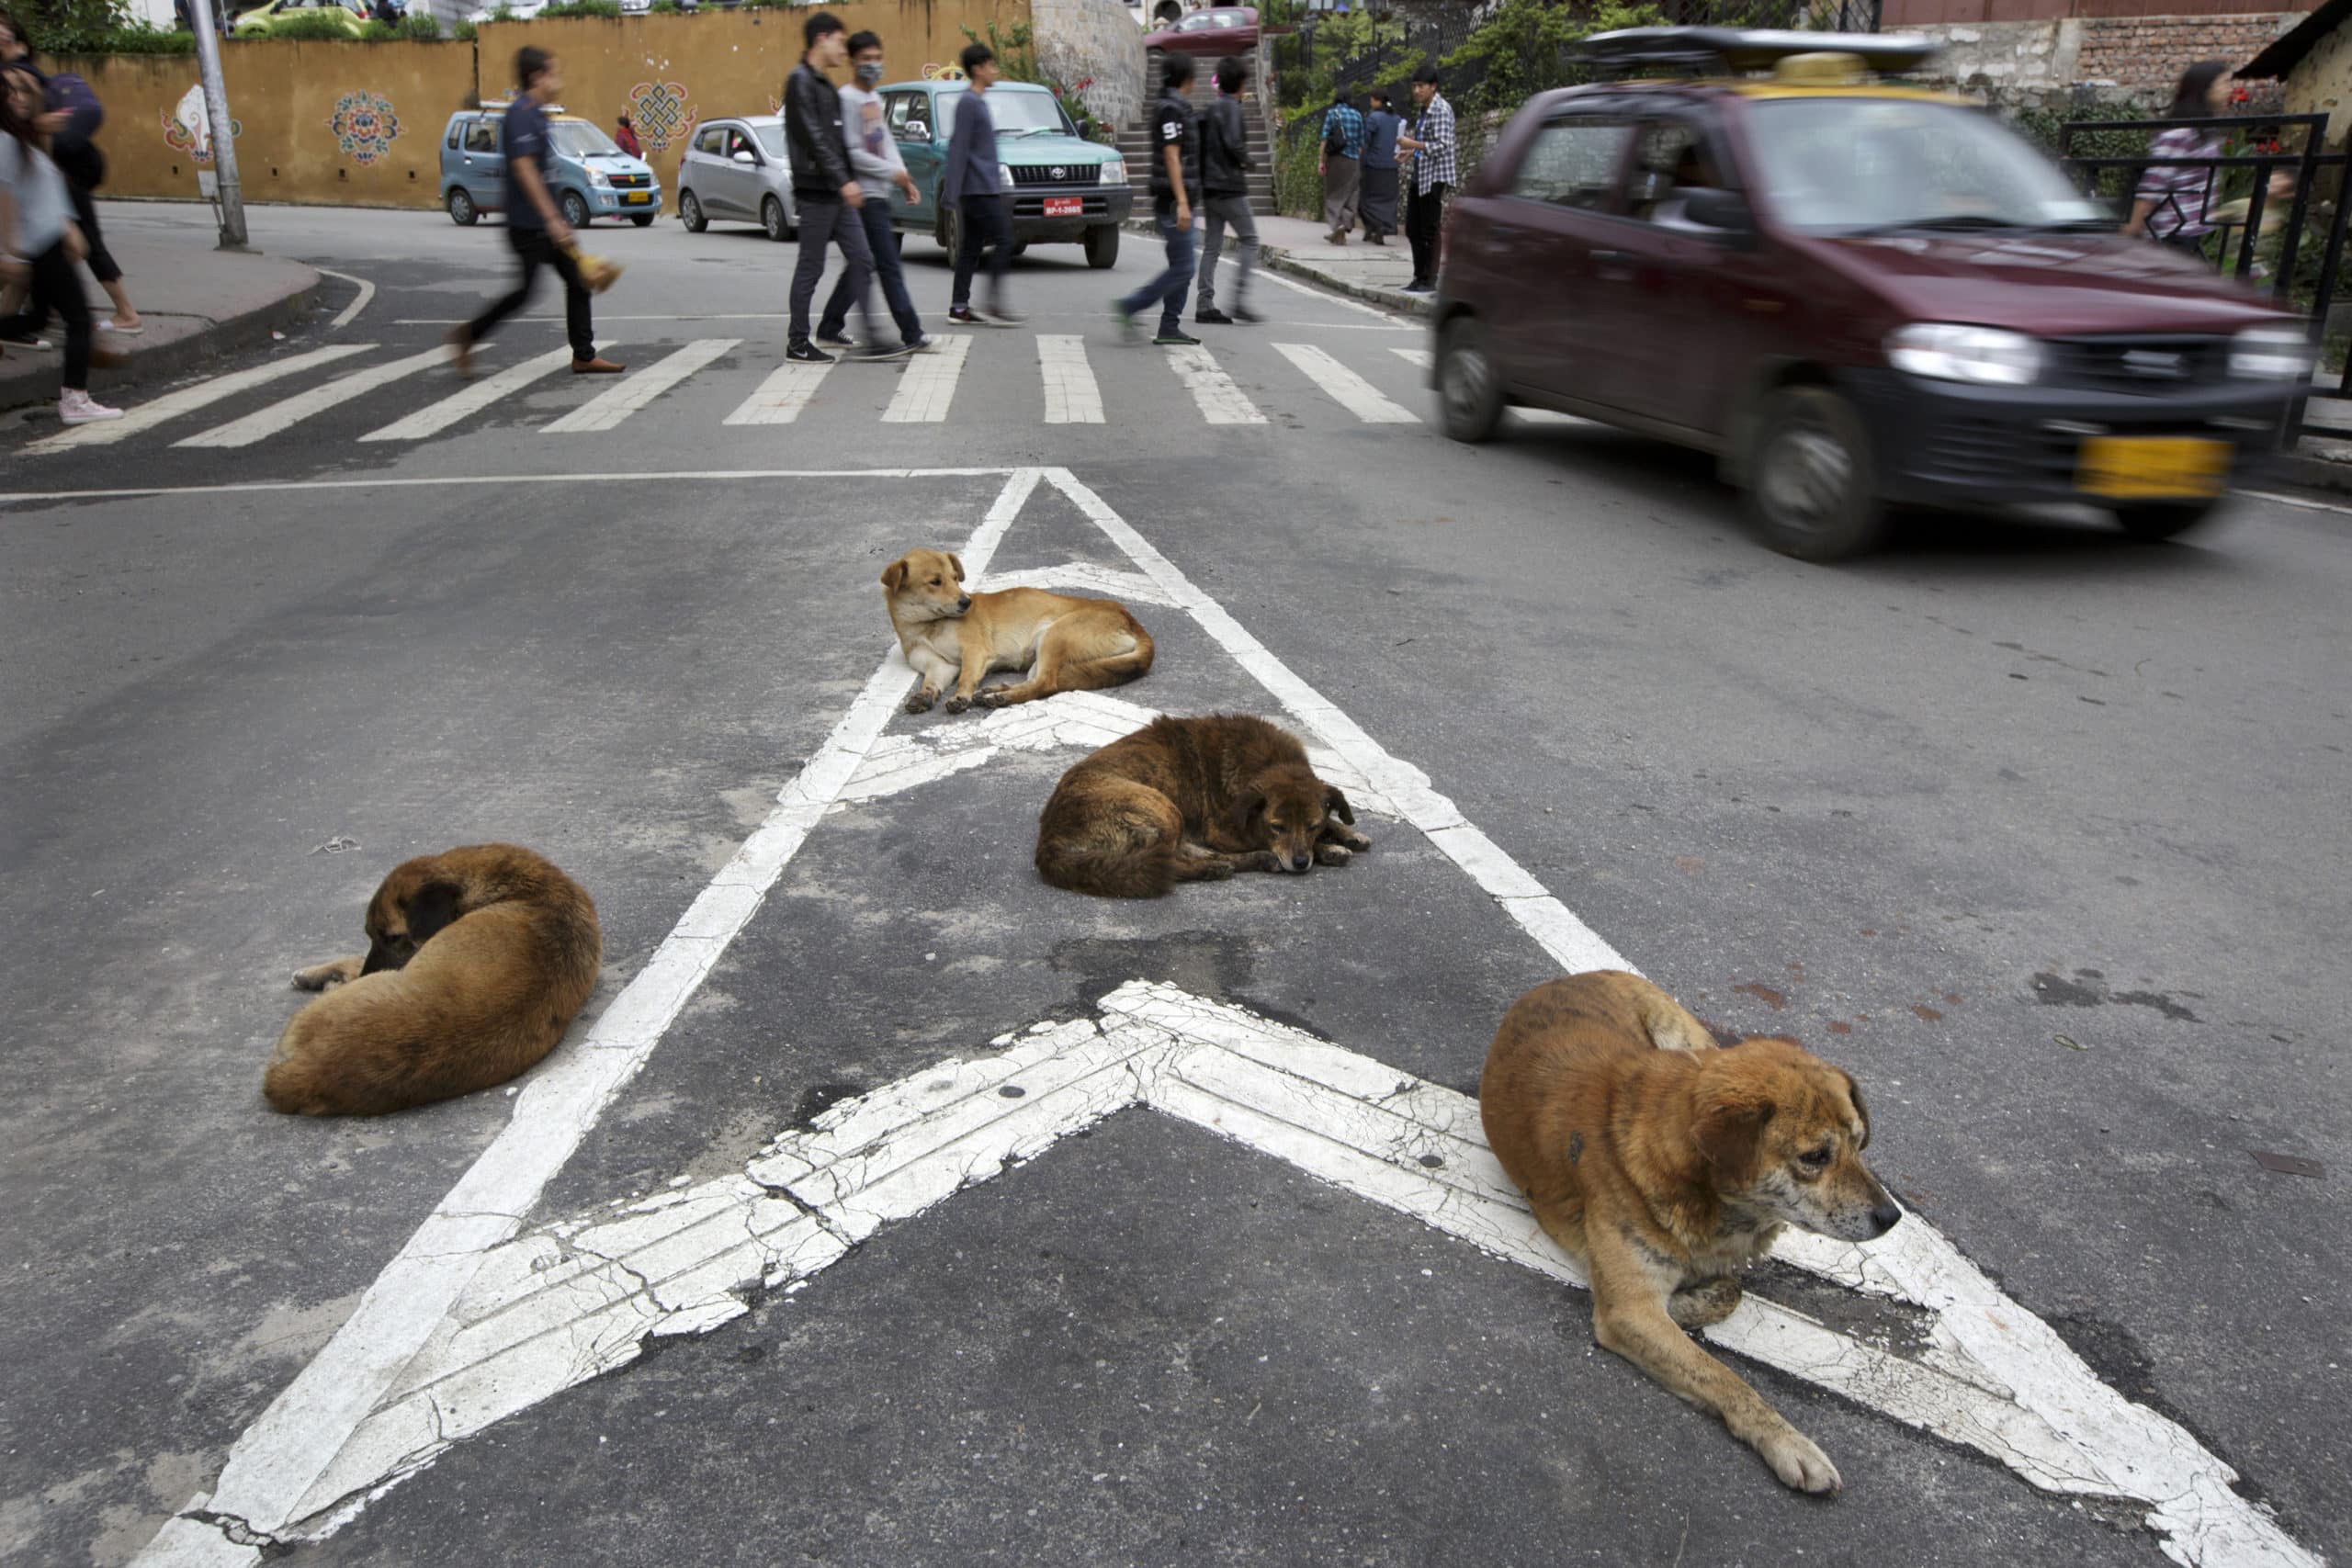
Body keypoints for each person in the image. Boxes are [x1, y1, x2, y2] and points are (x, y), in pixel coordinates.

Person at [447, 49, 623, 378]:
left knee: (578, 281)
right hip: (529, 224)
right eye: (554, 73)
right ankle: (467, 336)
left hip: (546, 222)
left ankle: (584, 355)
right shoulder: (521, 114)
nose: (559, 81)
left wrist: (560, 220)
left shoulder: (538, 115)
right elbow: (525, 169)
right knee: (525, 292)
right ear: (536, 77)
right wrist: (553, 220)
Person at [0, 8, 138, 334]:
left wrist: (34, 123)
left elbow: (30, 128)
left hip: (56, 174)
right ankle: (23, 324)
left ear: (17, 40)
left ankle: (125, 313)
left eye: (4, 29)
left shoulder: (19, 72)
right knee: (33, 256)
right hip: (43, 177)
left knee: (74, 244)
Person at [785, 12, 906, 361]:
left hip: (837, 190)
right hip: (816, 191)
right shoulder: (800, 82)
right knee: (812, 267)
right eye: (840, 41)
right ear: (821, 38)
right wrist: (844, 181)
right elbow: (815, 139)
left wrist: (848, 182)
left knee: (864, 260)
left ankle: (871, 338)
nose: (844, 49)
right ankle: (797, 342)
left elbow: (838, 142)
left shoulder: (823, 84)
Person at [1, 64, 119, 423]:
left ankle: (76, 399)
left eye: (25, 90)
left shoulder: (24, 138)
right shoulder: (6, 142)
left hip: (46, 240)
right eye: (11, 92)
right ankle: (74, 401)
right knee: (78, 320)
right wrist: (8, 253)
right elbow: (4, 197)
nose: (19, 97)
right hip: (39, 243)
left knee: (38, 318)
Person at [818, 30, 930, 353]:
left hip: (878, 193)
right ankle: (912, 333)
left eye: (877, 58)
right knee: (887, 264)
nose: (873, 65)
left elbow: (885, 143)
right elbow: (852, 151)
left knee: (860, 264)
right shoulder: (847, 99)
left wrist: (904, 178)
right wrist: (892, 173)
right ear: (851, 61)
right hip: (860, 195)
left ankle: (829, 326)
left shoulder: (874, 99)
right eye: (866, 59)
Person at [1113, 48, 1199, 346]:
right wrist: (1183, 202)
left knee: (1182, 267)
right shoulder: (1170, 109)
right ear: (1186, 76)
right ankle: (1132, 305)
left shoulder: (1176, 106)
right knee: (1185, 267)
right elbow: (1172, 157)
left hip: (1178, 197)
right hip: (1174, 201)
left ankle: (1170, 326)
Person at [941, 39, 1020, 327]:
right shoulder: (968, 104)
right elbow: (958, 148)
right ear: (977, 69)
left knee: (971, 248)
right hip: (977, 190)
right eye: (990, 66)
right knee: (1004, 240)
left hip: (983, 187)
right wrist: (950, 194)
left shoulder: (977, 102)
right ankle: (994, 304)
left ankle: (959, 307)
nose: (995, 71)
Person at [2124, 60, 2233, 258]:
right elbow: (2154, 184)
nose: (2229, 89)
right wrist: (2131, 230)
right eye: (2224, 83)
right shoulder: (2180, 134)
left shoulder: (2206, 130)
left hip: (2191, 230)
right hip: (2171, 233)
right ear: (2205, 88)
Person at [1193, 54, 1258, 326]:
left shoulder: (1210, 109)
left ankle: (1204, 303)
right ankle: (1239, 300)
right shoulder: (1231, 108)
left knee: (1212, 247)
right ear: (1240, 83)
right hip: (1229, 186)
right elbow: (1233, 142)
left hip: (1210, 187)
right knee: (1250, 239)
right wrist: (1247, 160)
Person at [1396, 65, 1454, 295]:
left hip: (1435, 175)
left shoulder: (1440, 109)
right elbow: (1425, 140)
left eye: (1421, 86)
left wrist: (1412, 144)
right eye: (1414, 86)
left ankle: (1429, 280)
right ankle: (1419, 277)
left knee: (1429, 229)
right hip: (1421, 172)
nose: (1417, 91)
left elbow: (1442, 146)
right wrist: (1409, 152)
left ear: (1433, 87)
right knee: (1412, 227)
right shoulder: (1425, 108)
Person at [1318, 84, 1363, 245]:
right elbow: (1361, 144)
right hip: (1353, 160)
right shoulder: (1357, 115)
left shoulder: (1332, 113)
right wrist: (1355, 159)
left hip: (1336, 159)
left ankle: (1338, 225)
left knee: (1333, 194)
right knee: (1351, 193)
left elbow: (1324, 139)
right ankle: (1342, 231)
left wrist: (1321, 161)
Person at [1357, 85, 1400, 245]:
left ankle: (1375, 225)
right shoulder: (1397, 119)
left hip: (1373, 166)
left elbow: (1365, 140)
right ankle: (1378, 228)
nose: (1370, 101)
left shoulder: (1373, 118)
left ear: (1377, 100)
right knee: (1388, 201)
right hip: (1392, 166)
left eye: (1371, 99)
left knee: (1365, 200)